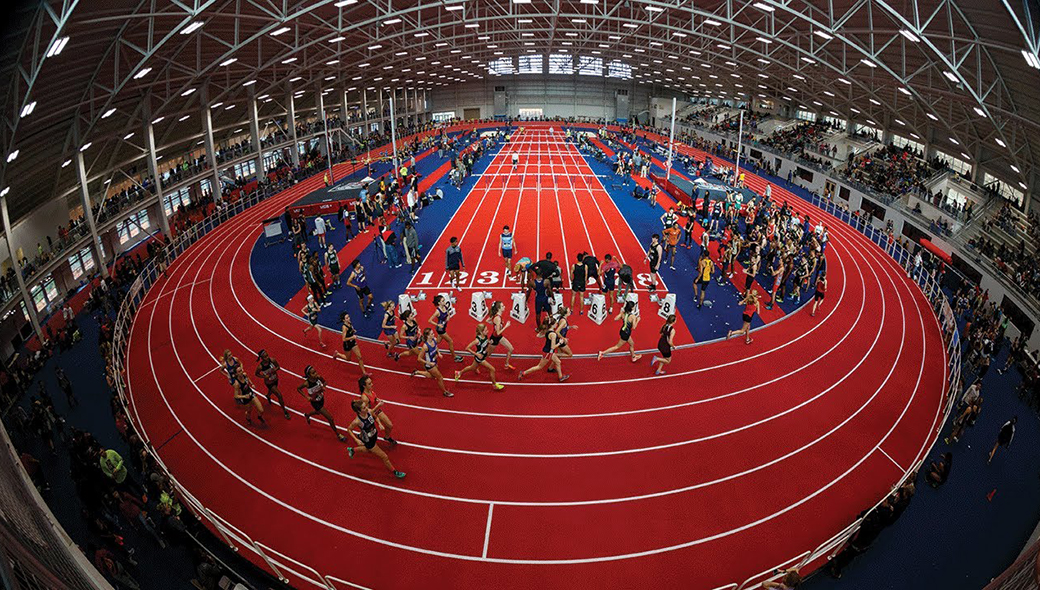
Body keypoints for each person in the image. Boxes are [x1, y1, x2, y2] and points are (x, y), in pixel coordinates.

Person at [346, 398, 406, 479]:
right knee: (384, 456)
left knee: (368, 450)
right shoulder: (357, 421)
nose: (366, 408)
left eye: (366, 406)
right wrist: (356, 440)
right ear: (359, 411)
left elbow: (375, 417)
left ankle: (352, 450)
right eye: (364, 408)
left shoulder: (368, 411)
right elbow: (349, 430)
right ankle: (395, 472)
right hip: (369, 440)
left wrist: (379, 424)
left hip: (374, 436)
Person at [297, 365, 346, 441]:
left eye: (315, 371)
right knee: (330, 418)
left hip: (321, 399)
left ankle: (307, 415)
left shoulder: (318, 377)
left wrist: (323, 387)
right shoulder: (307, 383)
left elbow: (325, 382)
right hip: (315, 402)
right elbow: (298, 389)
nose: (316, 373)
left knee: (318, 412)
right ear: (308, 375)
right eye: (313, 373)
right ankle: (338, 435)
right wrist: (306, 397)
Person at [518, 316, 571, 382]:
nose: (556, 324)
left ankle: (560, 377)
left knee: (558, 362)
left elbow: (538, 335)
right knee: (539, 367)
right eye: (555, 323)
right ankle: (523, 373)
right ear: (552, 325)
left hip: (549, 351)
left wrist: (542, 332)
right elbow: (553, 347)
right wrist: (560, 343)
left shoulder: (548, 331)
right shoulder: (553, 334)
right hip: (548, 352)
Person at [455, 324, 505, 390]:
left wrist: (489, 342)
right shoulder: (477, 340)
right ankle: (494, 385)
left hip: (483, 355)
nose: (488, 331)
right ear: (481, 332)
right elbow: (467, 348)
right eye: (486, 330)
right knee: (492, 369)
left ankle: (459, 372)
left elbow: (485, 343)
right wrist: (476, 354)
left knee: (472, 367)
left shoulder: (485, 336)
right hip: (480, 358)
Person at [411, 328, 454, 397]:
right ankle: (445, 392)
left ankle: (417, 372)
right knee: (440, 377)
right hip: (430, 365)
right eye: (432, 334)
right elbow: (419, 359)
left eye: (433, 333)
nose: (433, 334)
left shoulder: (434, 339)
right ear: (428, 336)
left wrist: (439, 353)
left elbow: (436, 347)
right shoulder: (425, 346)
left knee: (432, 376)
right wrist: (429, 363)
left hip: (434, 361)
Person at [358, 374, 397, 445]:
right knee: (370, 433)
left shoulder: (370, 391)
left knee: (390, 425)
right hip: (371, 414)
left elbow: (374, 398)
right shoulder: (364, 398)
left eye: (371, 382)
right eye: (369, 384)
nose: (372, 384)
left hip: (376, 411)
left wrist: (377, 399)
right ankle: (361, 436)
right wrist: (378, 405)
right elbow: (368, 412)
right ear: (364, 386)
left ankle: (387, 437)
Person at [255, 349, 290, 420]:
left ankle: (268, 395)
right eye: (265, 357)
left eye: (267, 355)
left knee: (272, 391)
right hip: (269, 383)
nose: (267, 357)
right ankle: (285, 411)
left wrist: (275, 370)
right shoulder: (260, 367)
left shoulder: (272, 360)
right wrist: (264, 376)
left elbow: (278, 367)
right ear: (262, 358)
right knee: (279, 395)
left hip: (275, 379)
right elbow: (256, 374)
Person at [428, 295, 463, 363]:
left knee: (438, 341)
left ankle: (428, 342)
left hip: (444, 327)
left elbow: (448, 313)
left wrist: (448, 316)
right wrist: (438, 324)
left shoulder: (445, 306)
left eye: (444, 300)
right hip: (440, 329)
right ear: (439, 303)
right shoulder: (437, 311)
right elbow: (429, 320)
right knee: (450, 341)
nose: (444, 301)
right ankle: (455, 357)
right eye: (443, 301)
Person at [487, 301, 516, 370]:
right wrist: (506, 326)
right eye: (502, 306)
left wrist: (494, 324)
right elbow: (497, 333)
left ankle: (506, 364)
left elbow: (488, 320)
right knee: (487, 354)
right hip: (494, 338)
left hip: (499, 337)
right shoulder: (498, 318)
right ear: (498, 309)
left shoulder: (497, 316)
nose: (504, 307)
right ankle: (477, 364)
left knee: (511, 349)